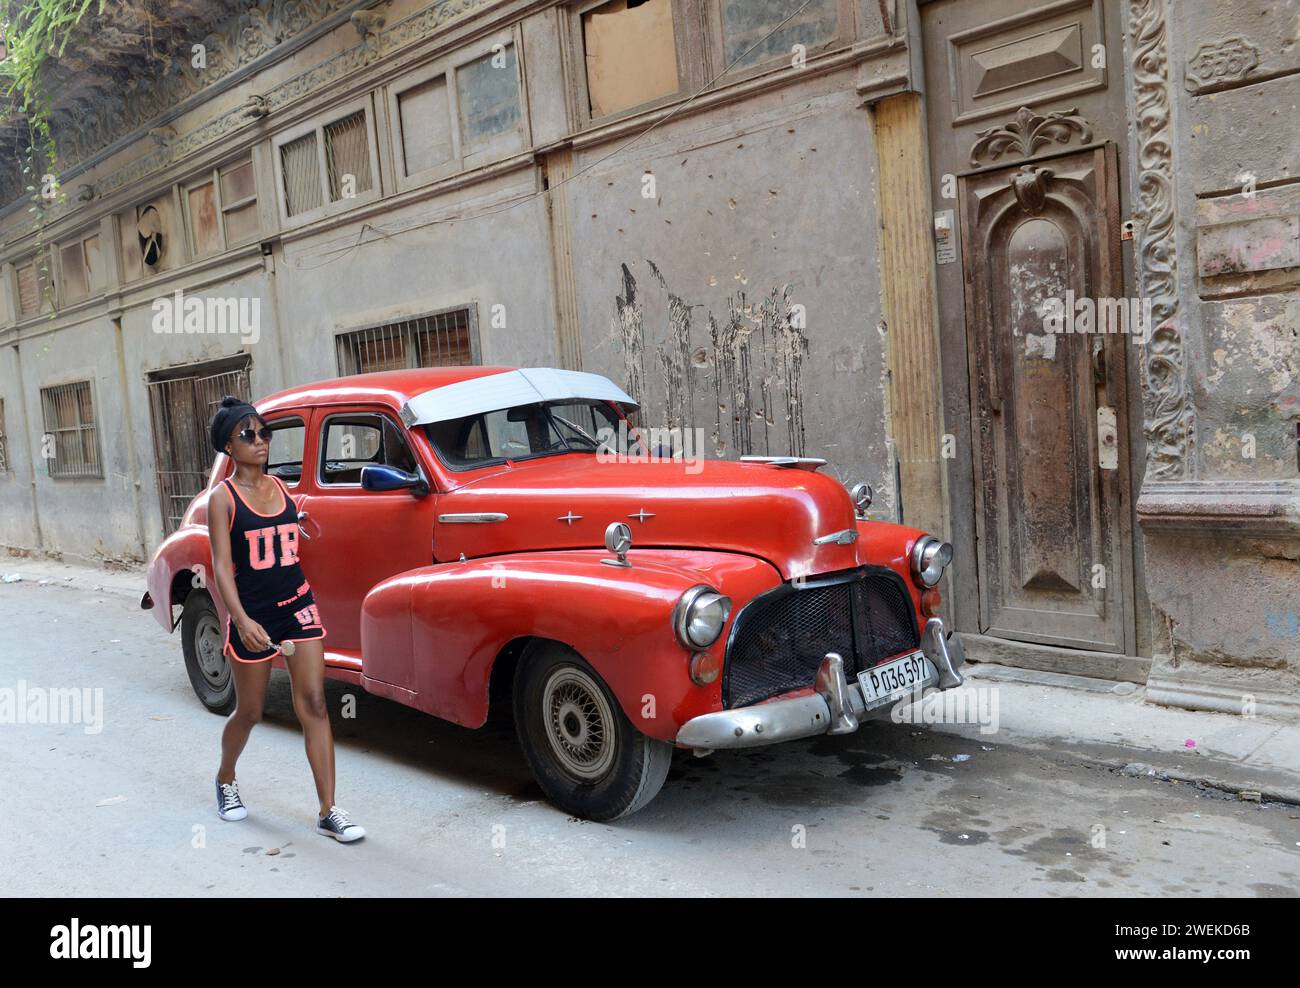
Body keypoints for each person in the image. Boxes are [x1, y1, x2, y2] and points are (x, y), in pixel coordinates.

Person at [207, 395, 365, 843]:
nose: (260, 441)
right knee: (252, 711)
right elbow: (221, 567)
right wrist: (240, 620)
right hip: (253, 616)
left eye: (263, 432)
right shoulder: (223, 500)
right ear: (229, 447)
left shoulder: (281, 488)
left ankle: (328, 809)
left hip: (298, 606)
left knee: (314, 703)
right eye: (248, 435)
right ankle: (225, 779)